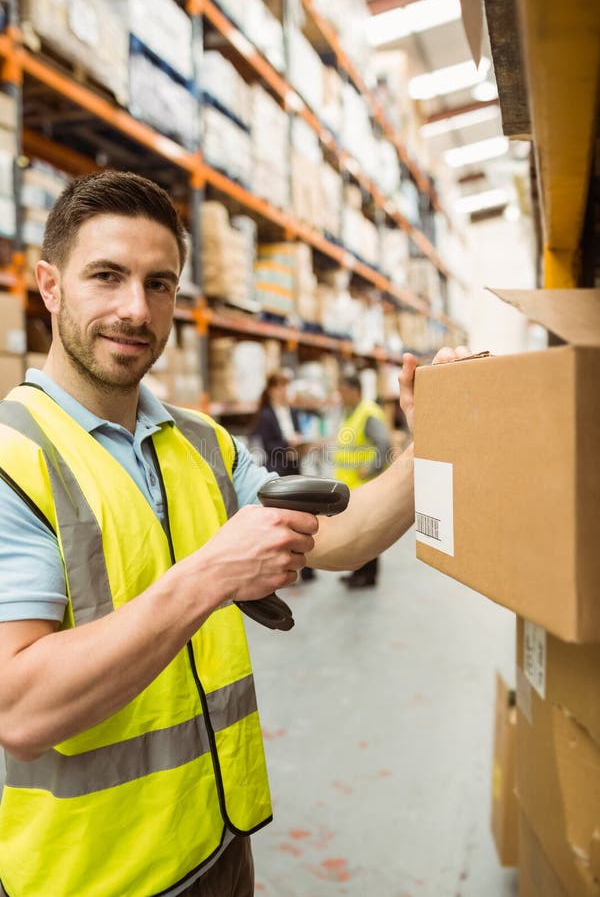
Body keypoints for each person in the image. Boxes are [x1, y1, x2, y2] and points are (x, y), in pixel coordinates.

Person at [0, 170, 469, 897]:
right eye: (106, 276)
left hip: (219, 845)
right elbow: (20, 710)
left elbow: (336, 542)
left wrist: (434, 444)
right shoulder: (12, 459)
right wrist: (212, 574)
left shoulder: (200, 442)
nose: (136, 308)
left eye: (160, 284)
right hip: (92, 877)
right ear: (49, 286)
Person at [253, 370, 317, 581]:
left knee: (303, 515)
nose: (283, 391)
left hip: (294, 466)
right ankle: (283, 565)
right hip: (278, 469)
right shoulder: (265, 414)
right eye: (279, 387)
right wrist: (286, 446)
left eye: (285, 386)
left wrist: (299, 443)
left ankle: (308, 567)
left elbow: (298, 432)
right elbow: (268, 445)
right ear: (271, 389)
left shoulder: (291, 410)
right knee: (283, 519)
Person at [334, 374, 391, 588]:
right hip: (351, 487)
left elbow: (384, 442)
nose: (341, 396)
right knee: (355, 534)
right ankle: (357, 573)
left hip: (364, 486)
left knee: (366, 534)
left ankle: (367, 577)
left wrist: (371, 468)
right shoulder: (351, 413)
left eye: (343, 392)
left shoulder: (367, 413)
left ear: (355, 391)